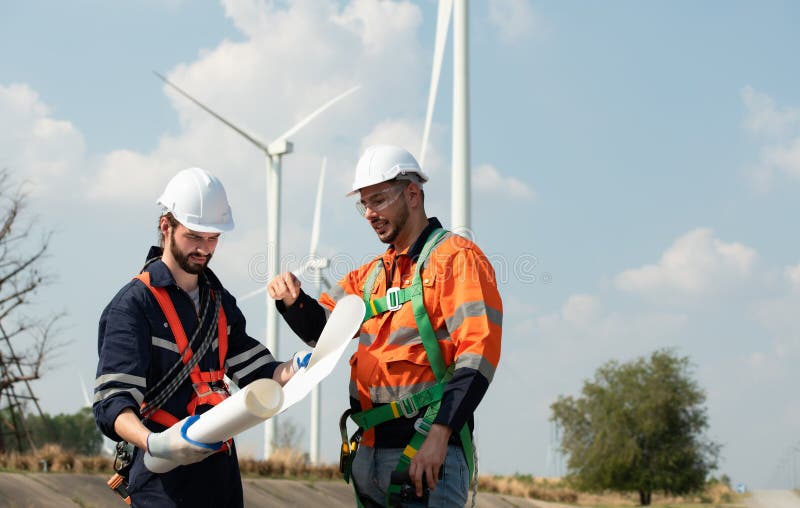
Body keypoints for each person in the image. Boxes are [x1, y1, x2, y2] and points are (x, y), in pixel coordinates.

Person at [268, 145, 502, 507]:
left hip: (424, 453)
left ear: (412, 194)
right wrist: (292, 301)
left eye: (377, 200)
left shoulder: (456, 259)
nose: (369, 214)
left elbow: (478, 354)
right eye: (363, 204)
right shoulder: (372, 275)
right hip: (370, 455)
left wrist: (440, 434)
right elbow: (324, 333)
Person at [94, 167, 309, 507]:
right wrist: (155, 443)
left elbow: (259, 373)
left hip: (219, 481)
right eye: (194, 236)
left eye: (213, 238)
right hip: (161, 482)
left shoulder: (218, 301)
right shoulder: (133, 305)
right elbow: (113, 402)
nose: (204, 249)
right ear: (167, 226)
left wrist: (300, 366)